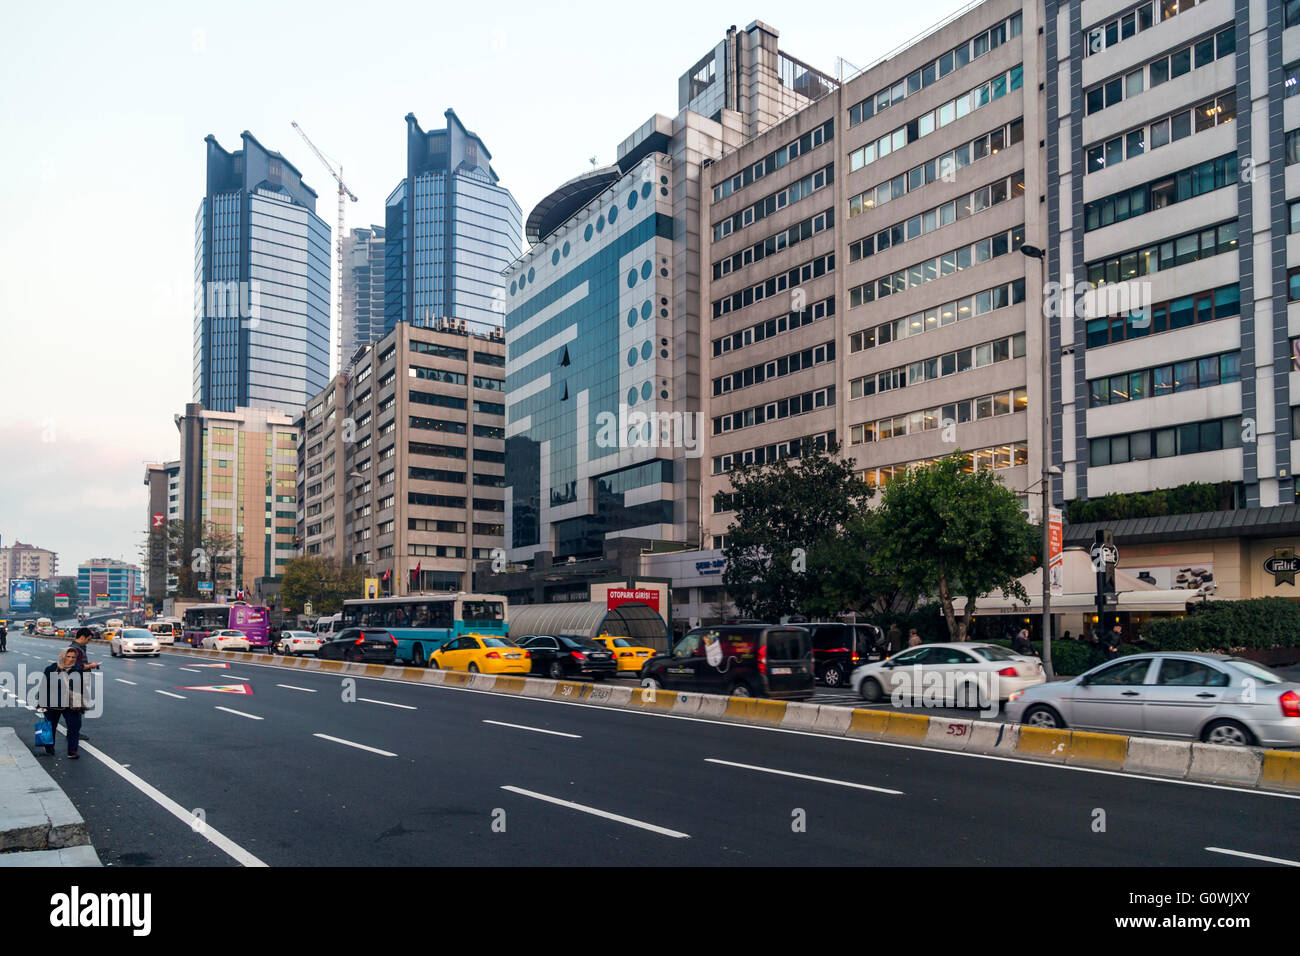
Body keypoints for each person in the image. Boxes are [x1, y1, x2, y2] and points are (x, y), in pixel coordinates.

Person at [36, 648, 87, 758]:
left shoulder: (77, 669)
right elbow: (44, 686)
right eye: (68, 656)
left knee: (74, 726)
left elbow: (81, 687)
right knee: (49, 726)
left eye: (73, 657)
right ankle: (49, 747)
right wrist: (41, 703)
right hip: (53, 702)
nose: (70, 659)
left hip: (70, 703)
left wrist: (81, 703)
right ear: (63, 656)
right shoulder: (52, 668)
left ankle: (72, 751)